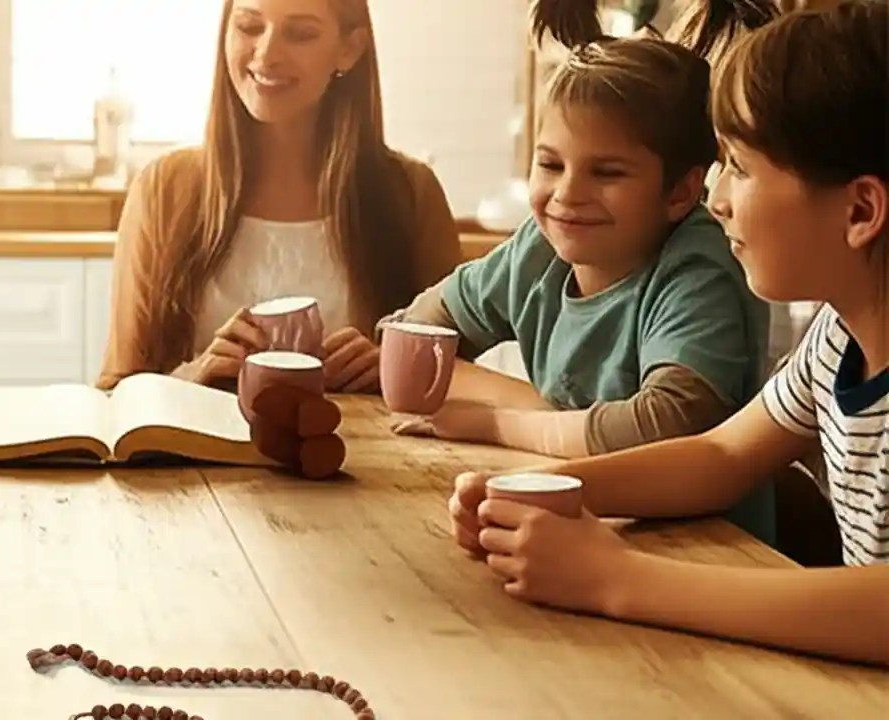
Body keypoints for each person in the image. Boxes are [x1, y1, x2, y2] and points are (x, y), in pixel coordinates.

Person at [448, 0, 889, 667]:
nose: (715, 198)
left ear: (860, 210)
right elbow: (721, 457)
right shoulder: (838, 339)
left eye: (739, 166)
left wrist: (620, 580)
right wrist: (544, 493)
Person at [389, 0, 773, 460]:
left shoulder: (698, 270)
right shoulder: (539, 247)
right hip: (570, 508)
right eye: (550, 164)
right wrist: (530, 405)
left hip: (699, 531)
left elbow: (669, 423)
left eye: (607, 173)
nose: (567, 194)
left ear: (680, 193)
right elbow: (413, 337)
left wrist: (498, 421)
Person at [98, 0, 462, 393]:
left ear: (349, 48)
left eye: (300, 34)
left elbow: (460, 379)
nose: (267, 54)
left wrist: (395, 371)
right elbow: (116, 389)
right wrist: (190, 377)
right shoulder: (163, 190)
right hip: (200, 453)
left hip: (358, 452)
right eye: (249, 27)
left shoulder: (410, 194)